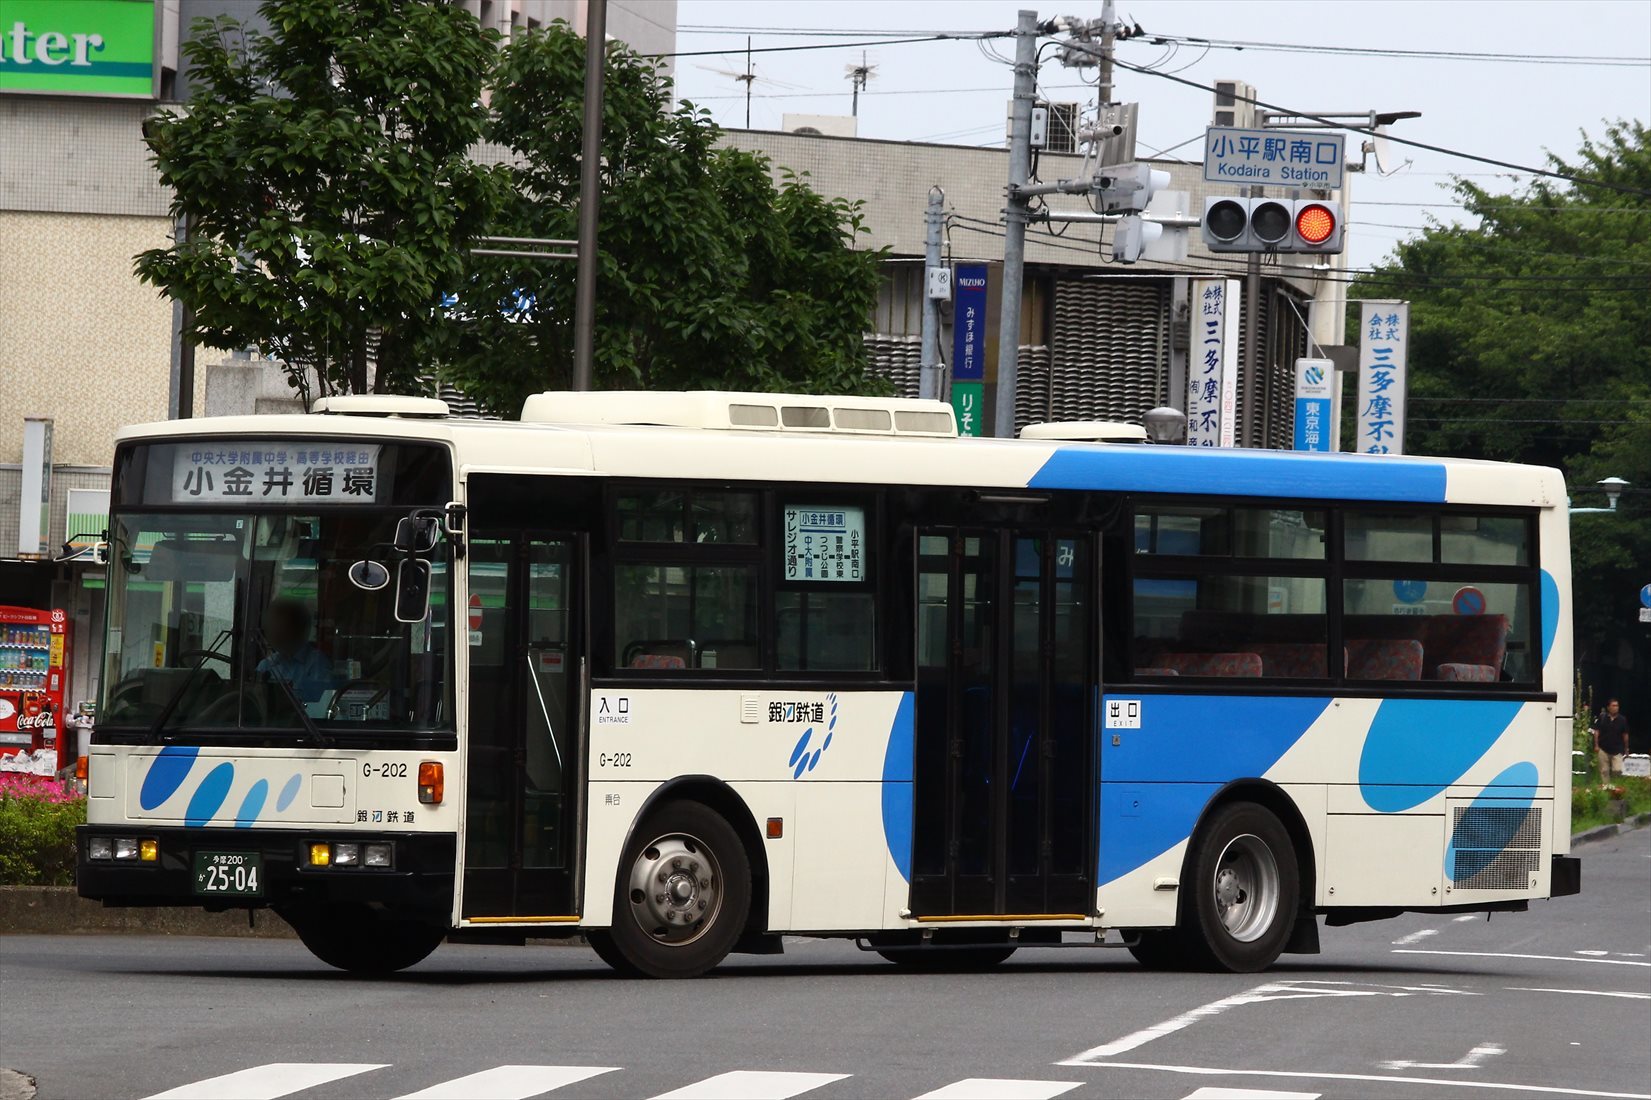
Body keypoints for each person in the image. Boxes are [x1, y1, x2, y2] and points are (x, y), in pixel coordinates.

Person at [256, 598, 333, 704]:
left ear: (298, 629)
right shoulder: (266, 666)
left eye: (278, 626)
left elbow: (319, 703)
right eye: (269, 627)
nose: (272, 633)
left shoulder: (317, 663)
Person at [1592, 698, 1630, 784]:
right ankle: (1606, 788)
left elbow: (1625, 734)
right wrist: (1596, 745)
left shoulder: (1622, 720)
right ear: (1608, 707)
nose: (1615, 707)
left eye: (1617, 706)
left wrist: (1626, 748)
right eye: (1613, 705)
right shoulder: (1602, 718)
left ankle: (1616, 788)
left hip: (1617, 749)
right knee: (1604, 771)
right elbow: (1597, 731)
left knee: (1617, 770)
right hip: (1603, 748)